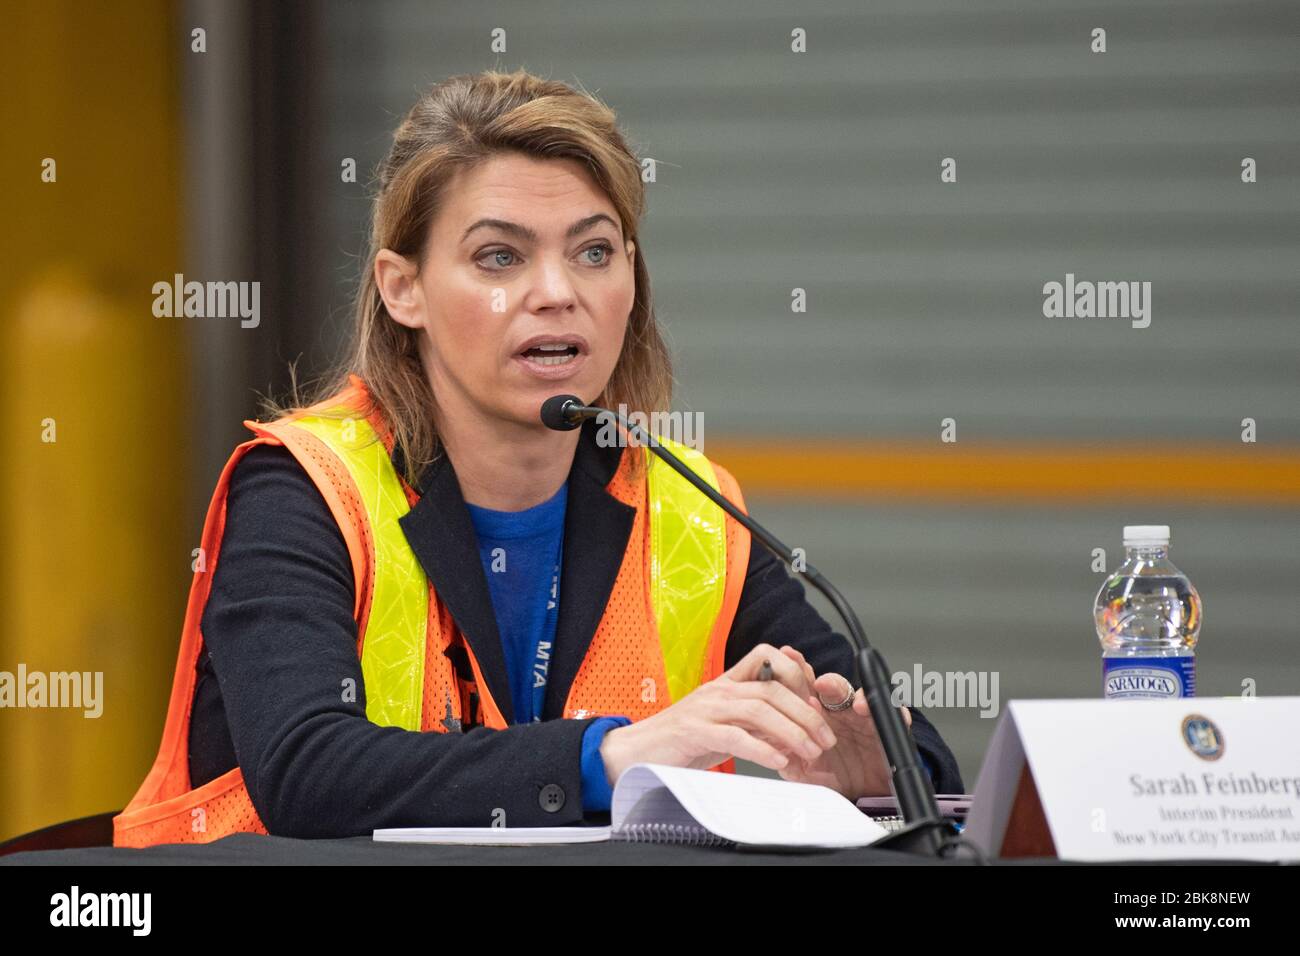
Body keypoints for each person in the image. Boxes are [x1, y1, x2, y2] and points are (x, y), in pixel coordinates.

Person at [113, 68, 962, 846]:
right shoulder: (306, 488)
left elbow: (908, 750)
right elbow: (307, 772)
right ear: (400, 287)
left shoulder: (691, 510)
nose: (558, 291)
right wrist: (609, 755)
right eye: (500, 257)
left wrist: (883, 769)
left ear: (632, 277)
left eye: (594, 251)